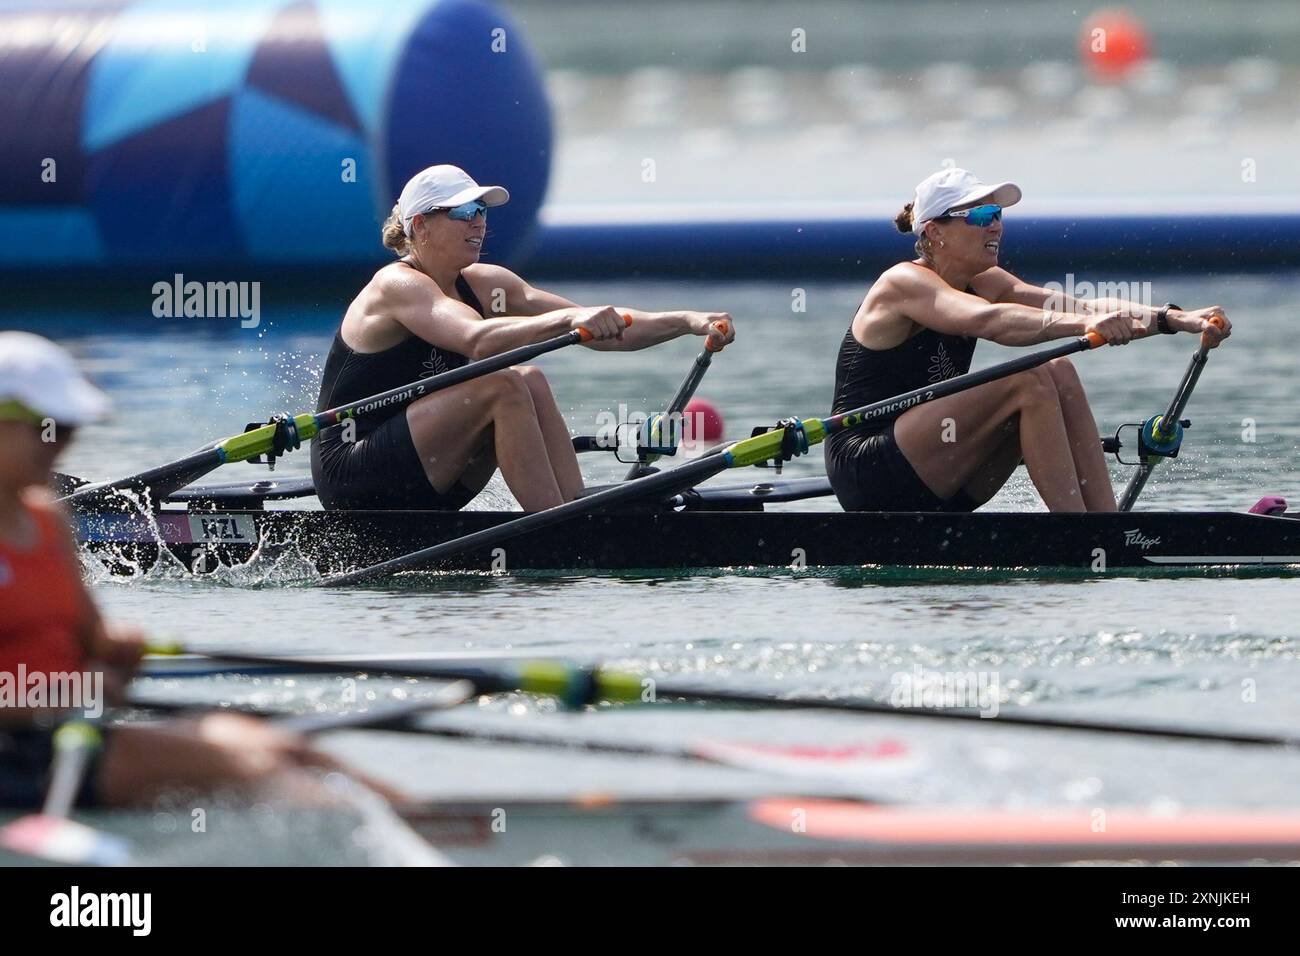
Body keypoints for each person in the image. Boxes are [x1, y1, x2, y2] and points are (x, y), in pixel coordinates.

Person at [0, 332, 399, 810]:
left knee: (283, 745)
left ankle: (449, 830)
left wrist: (117, 653)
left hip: (63, 738)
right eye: (48, 427)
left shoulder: (47, 522)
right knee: (255, 767)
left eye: (68, 428)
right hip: (19, 755)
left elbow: (95, 645)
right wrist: (69, 690)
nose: (60, 444)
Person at [310, 164, 735, 512]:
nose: (478, 221)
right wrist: (571, 318)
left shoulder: (487, 285)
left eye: (481, 210)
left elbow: (608, 333)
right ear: (420, 225)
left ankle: (575, 506)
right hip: (354, 474)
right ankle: (559, 527)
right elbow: (476, 339)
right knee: (503, 384)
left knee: (528, 377)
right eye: (462, 213)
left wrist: (688, 320)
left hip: (427, 470)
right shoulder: (395, 286)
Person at [825, 167, 1230, 513]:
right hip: (867, 468)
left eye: (997, 213)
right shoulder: (903, 283)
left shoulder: (985, 281)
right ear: (935, 231)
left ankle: (1107, 529)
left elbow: (1083, 307)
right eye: (981, 214)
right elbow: (989, 321)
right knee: (1029, 381)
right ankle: (1083, 540)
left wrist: (1174, 318)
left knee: (1059, 370)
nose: (996, 224)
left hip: (936, 463)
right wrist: (1079, 328)